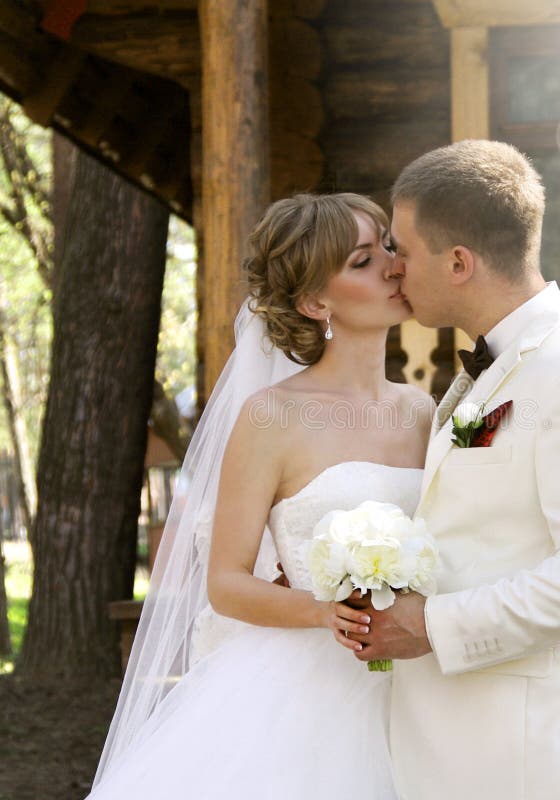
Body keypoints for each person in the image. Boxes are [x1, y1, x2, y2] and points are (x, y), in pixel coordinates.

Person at [86, 192, 433, 799]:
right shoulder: (272, 416)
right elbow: (226, 582)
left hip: (421, 683)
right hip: (307, 698)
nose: (392, 265)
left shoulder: (423, 411)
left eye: (387, 245)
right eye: (362, 260)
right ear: (315, 303)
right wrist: (326, 611)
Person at [344, 140, 560, 800]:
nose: (393, 268)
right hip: (454, 751)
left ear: (459, 263)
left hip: (538, 762)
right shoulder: (492, 371)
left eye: (402, 249)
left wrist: (433, 624)